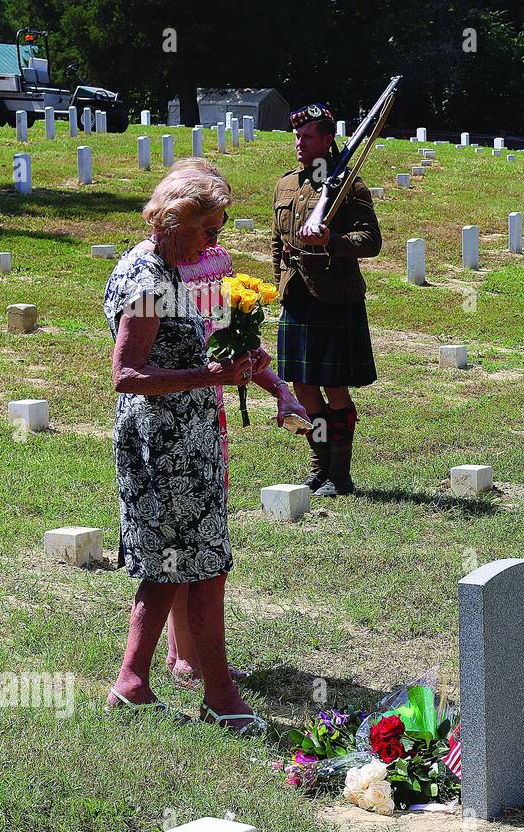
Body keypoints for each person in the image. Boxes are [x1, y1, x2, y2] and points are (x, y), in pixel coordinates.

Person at [104, 158, 265, 733]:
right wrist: (212, 378)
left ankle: (133, 682)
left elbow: (170, 356)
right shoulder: (148, 281)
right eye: (209, 228)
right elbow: (126, 373)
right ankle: (220, 696)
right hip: (165, 443)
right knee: (197, 564)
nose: (215, 240)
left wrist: (224, 363)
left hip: (182, 440)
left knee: (176, 564)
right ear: (176, 219)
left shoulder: (161, 270)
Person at [164, 237, 310, 688]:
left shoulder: (217, 262)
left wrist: (280, 391)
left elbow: (228, 344)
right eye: (208, 220)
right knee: (178, 534)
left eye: (220, 220)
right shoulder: (160, 268)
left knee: (206, 534)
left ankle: (192, 652)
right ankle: (186, 655)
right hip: (171, 413)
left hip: (212, 415)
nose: (214, 230)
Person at [273, 102, 382, 497]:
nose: (299, 144)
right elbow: (277, 243)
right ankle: (319, 465)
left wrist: (332, 242)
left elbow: (372, 241)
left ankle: (340, 473)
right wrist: (278, 286)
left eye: (307, 137)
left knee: (334, 387)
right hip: (298, 298)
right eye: (297, 138)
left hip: (334, 297)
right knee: (302, 386)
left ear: (327, 139)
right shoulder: (287, 184)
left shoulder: (349, 185)